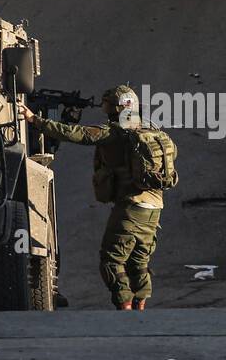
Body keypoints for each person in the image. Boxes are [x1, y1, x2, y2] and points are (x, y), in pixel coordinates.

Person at [19, 86, 165, 311]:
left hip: (130, 207)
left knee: (111, 259)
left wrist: (35, 120)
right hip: (154, 208)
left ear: (112, 108)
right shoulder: (150, 129)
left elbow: (76, 133)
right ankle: (140, 305)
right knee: (139, 260)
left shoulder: (114, 132)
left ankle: (125, 304)